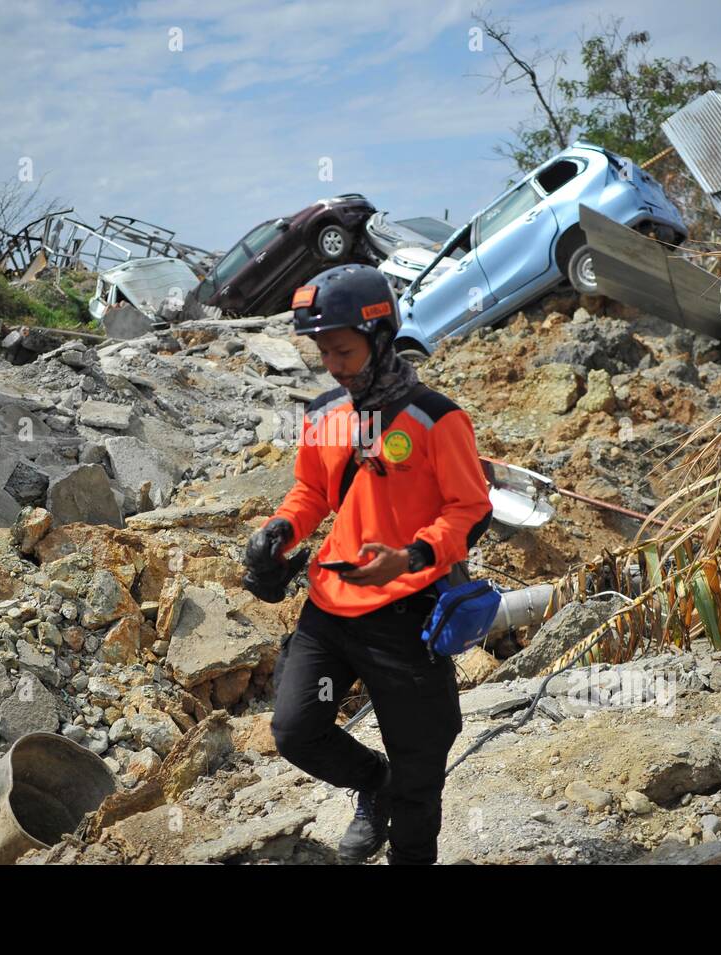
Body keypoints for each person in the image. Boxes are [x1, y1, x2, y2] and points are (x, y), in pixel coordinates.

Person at [242, 263, 492, 865]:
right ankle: (371, 784)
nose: (333, 364)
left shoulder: (437, 418)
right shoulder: (324, 414)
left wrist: (410, 557)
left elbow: (471, 509)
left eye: (344, 350)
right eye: (323, 351)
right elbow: (310, 495)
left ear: (381, 337)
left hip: (408, 617)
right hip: (330, 607)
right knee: (296, 730)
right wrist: (281, 529)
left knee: (421, 761)